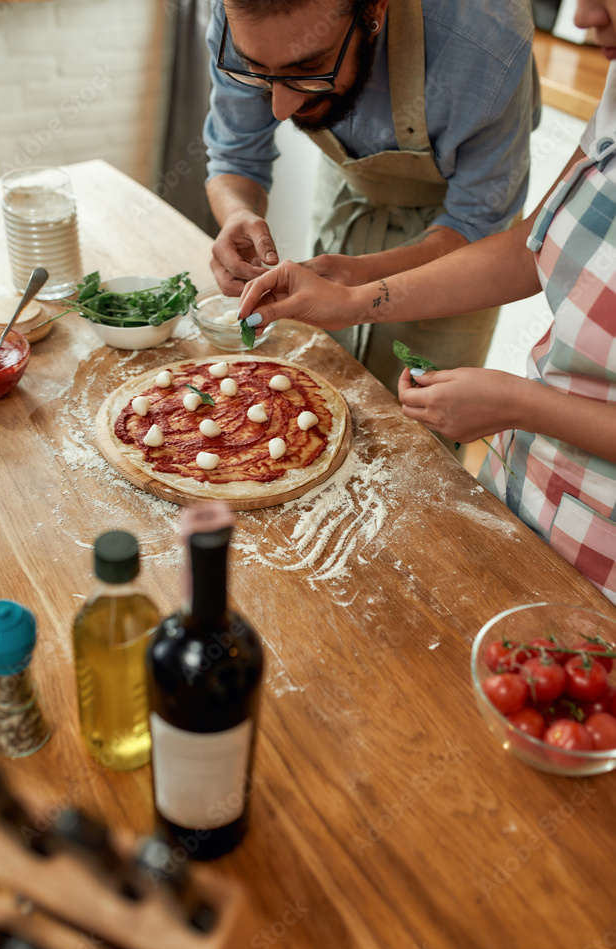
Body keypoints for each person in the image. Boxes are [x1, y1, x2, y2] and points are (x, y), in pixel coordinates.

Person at [236, 1, 616, 602]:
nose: (584, 11)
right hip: (524, 491)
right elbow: (529, 247)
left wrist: (524, 403)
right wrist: (356, 297)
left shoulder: (485, 38)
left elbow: (484, 222)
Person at [203, 0, 540, 392]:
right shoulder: (237, 11)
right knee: (324, 390)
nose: (281, 108)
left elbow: (475, 223)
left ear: (374, 10)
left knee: (417, 425)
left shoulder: (487, 37)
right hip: (353, 194)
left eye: (309, 70)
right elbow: (235, 154)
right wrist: (236, 212)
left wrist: (364, 276)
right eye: (258, 71)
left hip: (461, 247)